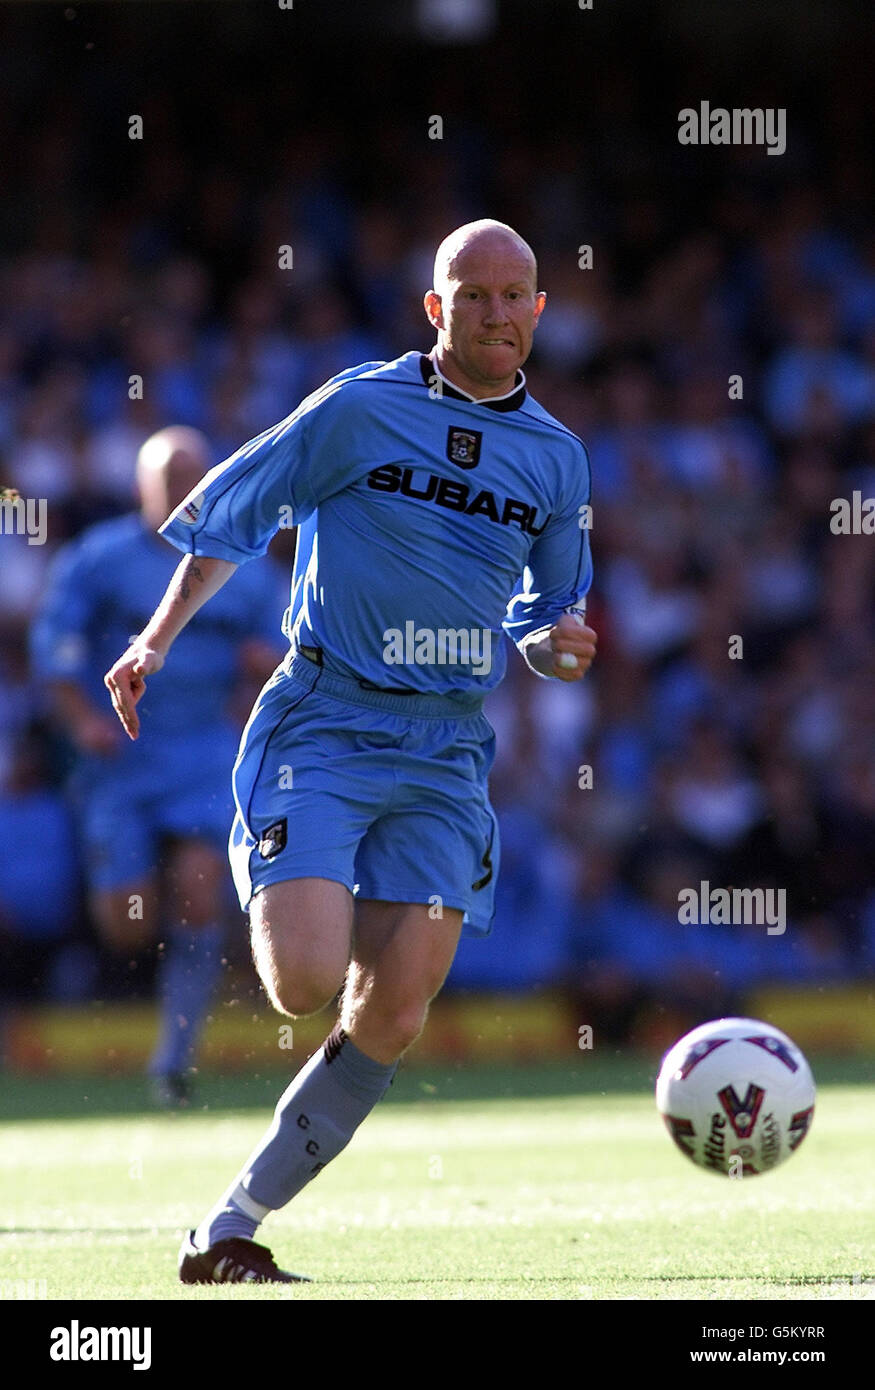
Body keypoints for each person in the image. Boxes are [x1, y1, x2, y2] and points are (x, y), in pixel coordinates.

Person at [104, 220, 598, 1283]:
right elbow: (236, 516)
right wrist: (152, 639)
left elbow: (547, 614)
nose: (497, 312)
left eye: (516, 295)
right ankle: (284, 863)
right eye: (473, 295)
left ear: (540, 310)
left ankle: (226, 1230)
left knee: (397, 1006)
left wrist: (556, 649)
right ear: (436, 309)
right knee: (303, 982)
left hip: (445, 749)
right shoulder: (358, 407)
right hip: (325, 717)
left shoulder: (555, 457)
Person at [32, 427, 286, 1105]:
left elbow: (284, 648)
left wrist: (261, 670)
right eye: (168, 477)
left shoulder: (247, 564)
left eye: (194, 476)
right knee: (128, 922)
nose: (182, 490)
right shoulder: (99, 559)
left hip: (204, 755)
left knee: (199, 892)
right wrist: (83, 721)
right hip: (121, 757)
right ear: (142, 486)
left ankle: (175, 1059)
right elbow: (54, 650)